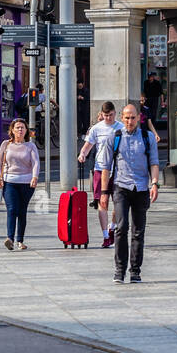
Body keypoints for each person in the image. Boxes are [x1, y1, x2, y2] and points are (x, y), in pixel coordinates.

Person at [99, 103, 161, 284]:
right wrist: (104, 193)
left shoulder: (147, 137)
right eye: (126, 118)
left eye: (133, 117)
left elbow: (154, 162)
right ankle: (119, 270)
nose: (130, 121)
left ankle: (135, 271)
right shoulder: (115, 137)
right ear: (122, 117)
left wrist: (155, 184)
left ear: (138, 117)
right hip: (121, 187)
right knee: (121, 227)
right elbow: (106, 167)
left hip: (141, 188)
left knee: (138, 231)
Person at [77, 101, 121, 248]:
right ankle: (105, 235)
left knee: (118, 201)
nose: (108, 118)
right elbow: (87, 146)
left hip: (117, 169)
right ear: (101, 115)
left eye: (111, 115)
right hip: (100, 169)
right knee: (102, 202)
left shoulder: (121, 128)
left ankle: (112, 227)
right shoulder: (96, 129)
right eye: (106, 115)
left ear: (115, 113)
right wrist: (82, 154)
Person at [0, 118, 40, 251]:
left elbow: (36, 163)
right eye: (17, 128)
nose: (20, 130)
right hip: (10, 182)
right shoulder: (6, 145)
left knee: (22, 211)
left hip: (26, 183)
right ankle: (10, 238)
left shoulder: (30, 146)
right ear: (12, 130)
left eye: (22, 128)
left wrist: (35, 177)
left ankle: (20, 240)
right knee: (12, 209)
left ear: (26, 130)